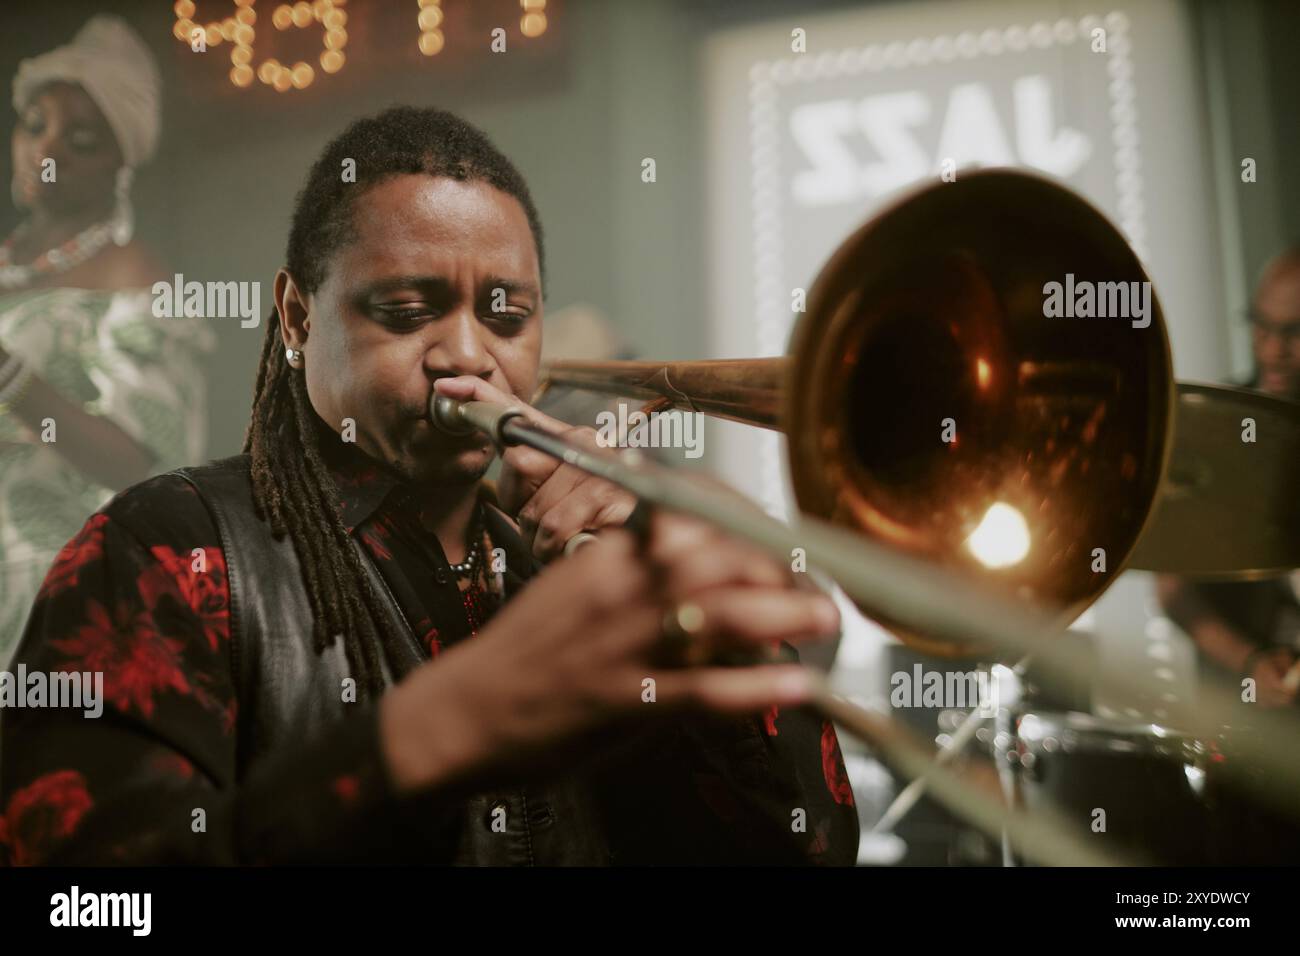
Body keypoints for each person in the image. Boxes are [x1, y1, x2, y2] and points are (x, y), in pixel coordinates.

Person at [0, 106, 859, 866]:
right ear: (298, 318)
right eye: (408, 313)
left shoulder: (593, 556)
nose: (467, 356)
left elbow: (806, 849)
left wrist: (704, 640)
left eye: (507, 316)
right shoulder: (162, 549)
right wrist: (419, 742)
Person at [0, 15, 214, 663]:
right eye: (36, 126)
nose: (47, 150)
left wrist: (13, 381)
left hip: (52, 588)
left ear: (122, 164)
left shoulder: (137, 279)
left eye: (83, 140)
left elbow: (137, 461)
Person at [1155, 247, 1300, 707]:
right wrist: (1249, 661)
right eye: (1260, 326)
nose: (1272, 349)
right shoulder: (1216, 428)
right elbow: (1172, 589)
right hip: (1243, 722)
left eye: (1293, 332)